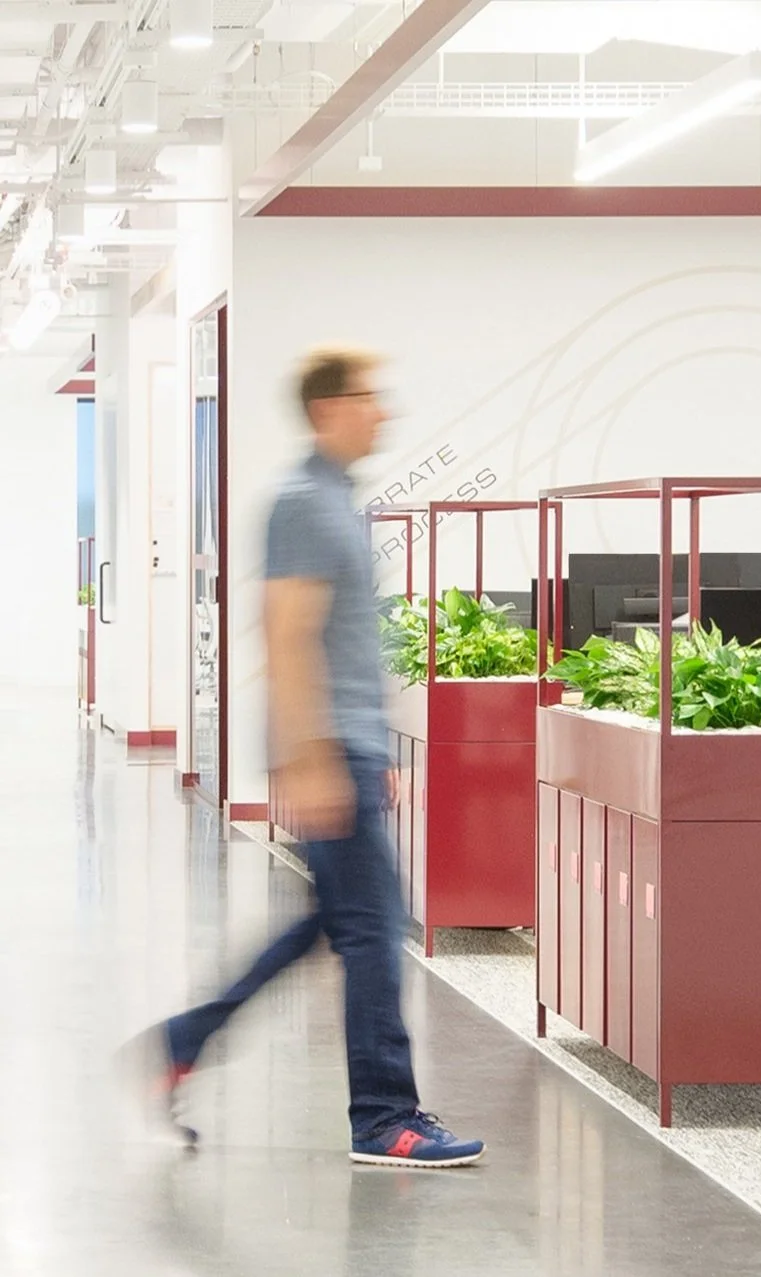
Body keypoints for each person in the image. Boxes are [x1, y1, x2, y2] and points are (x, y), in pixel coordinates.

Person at [133, 346, 484, 1169]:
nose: (383, 412)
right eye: (369, 397)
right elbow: (287, 636)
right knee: (371, 930)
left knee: (339, 921)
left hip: (349, 746)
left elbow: (339, 642)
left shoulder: (332, 500)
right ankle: (383, 1118)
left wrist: (364, 743)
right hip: (331, 752)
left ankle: (187, 1038)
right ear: (329, 407)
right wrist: (315, 757)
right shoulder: (303, 503)